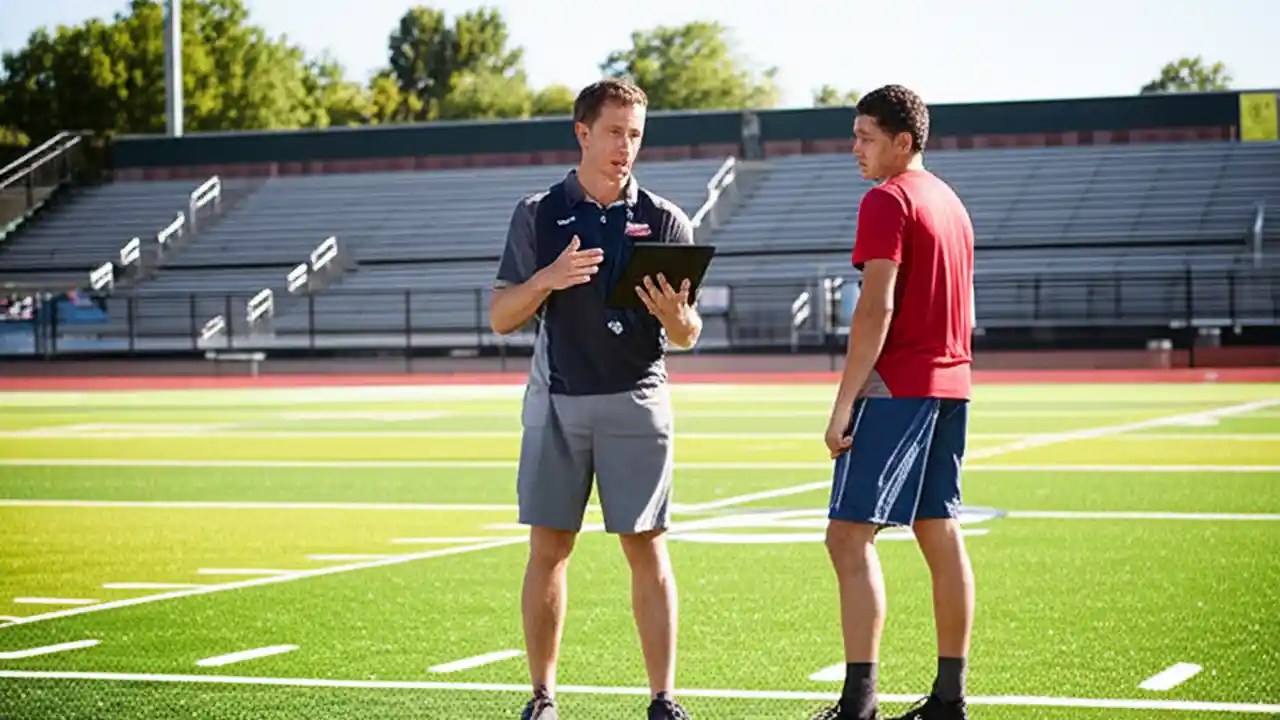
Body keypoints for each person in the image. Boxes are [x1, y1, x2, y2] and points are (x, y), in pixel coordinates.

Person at [489, 78, 701, 720]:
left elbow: (689, 335)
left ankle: (663, 699)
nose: (625, 147)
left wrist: (675, 317)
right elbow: (501, 316)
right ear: (583, 133)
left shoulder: (666, 219)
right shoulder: (538, 213)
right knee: (549, 549)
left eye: (635, 134)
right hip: (557, 401)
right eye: (614, 132)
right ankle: (543, 698)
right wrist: (547, 280)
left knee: (647, 547)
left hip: (639, 399)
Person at [810, 85, 977, 720]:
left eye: (866, 137)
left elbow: (875, 308)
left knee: (848, 537)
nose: (854, 148)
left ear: (902, 141)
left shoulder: (887, 199)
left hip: (898, 384)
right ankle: (949, 698)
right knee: (941, 534)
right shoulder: (951, 202)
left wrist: (843, 401)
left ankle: (858, 703)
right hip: (950, 383)